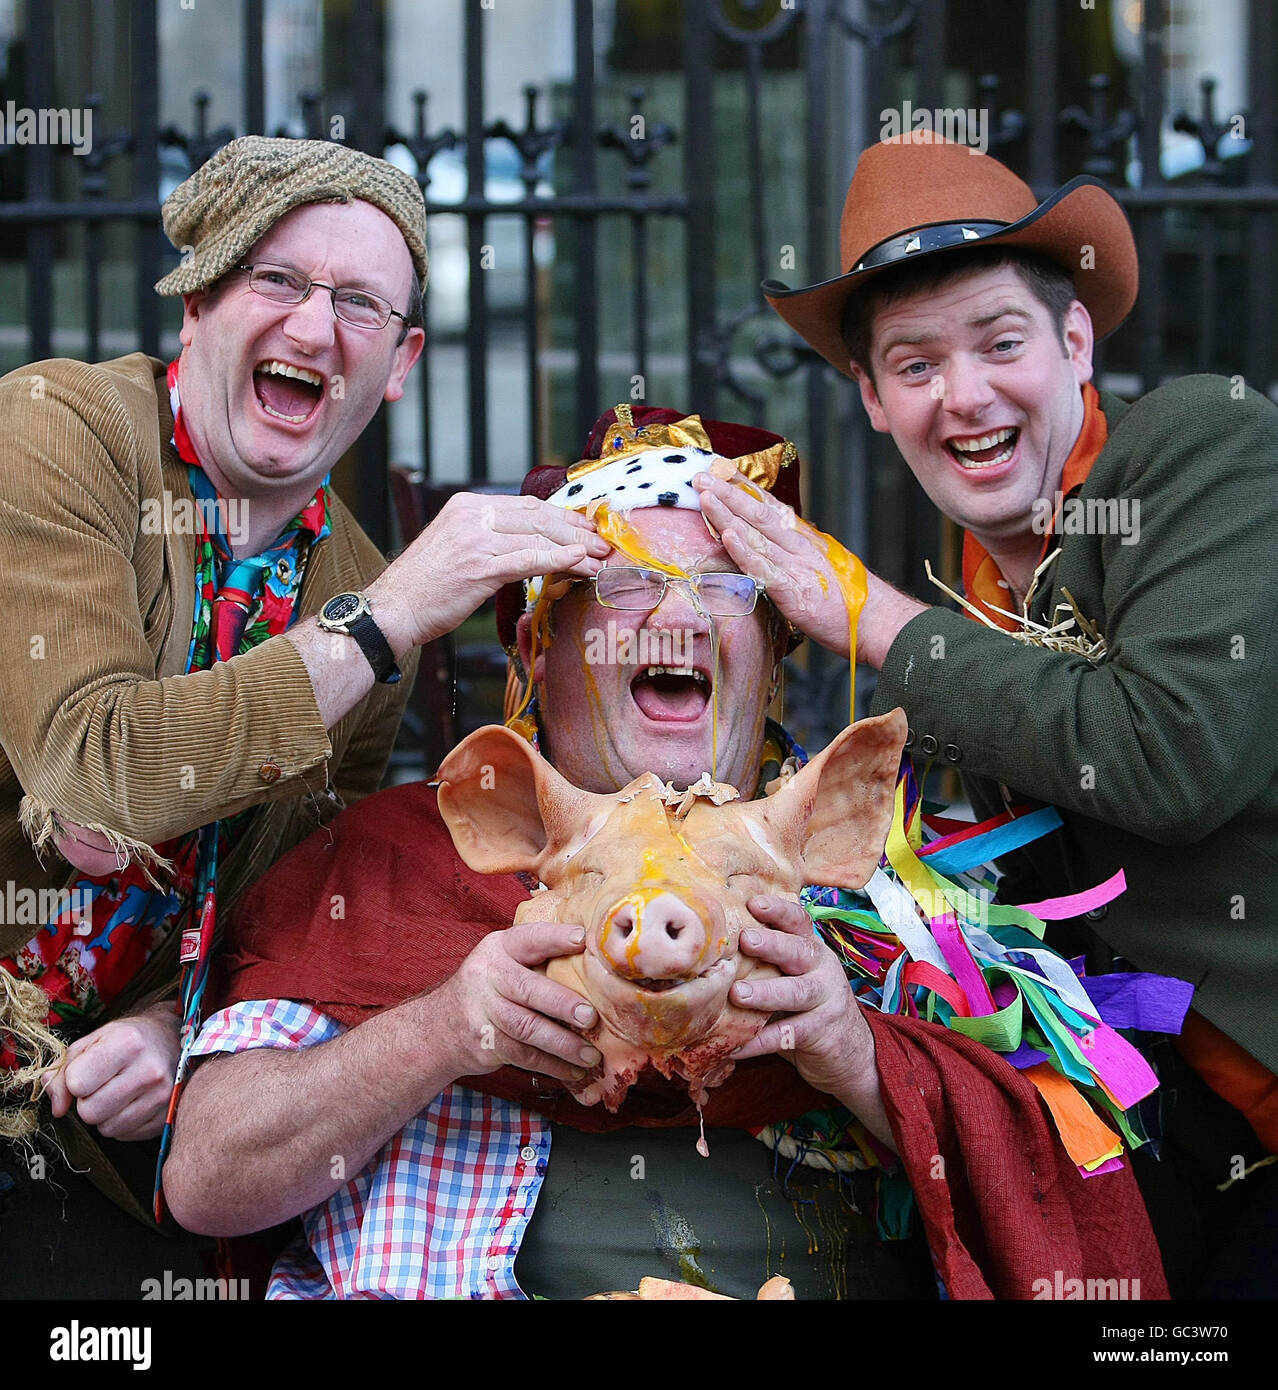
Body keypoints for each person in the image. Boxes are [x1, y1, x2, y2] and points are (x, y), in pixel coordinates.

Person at [160, 406, 1168, 1300]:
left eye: (730, 588)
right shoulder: (391, 861)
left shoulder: (891, 885)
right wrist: (449, 1029)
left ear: (772, 659)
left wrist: (858, 1056)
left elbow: (1059, 1181)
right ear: (534, 653)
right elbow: (208, 1175)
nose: (680, 614)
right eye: (627, 581)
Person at [0, 135, 609, 1291]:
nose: (317, 327)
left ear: (399, 362)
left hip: (110, 1143)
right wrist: (380, 625)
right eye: (278, 279)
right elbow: (88, 774)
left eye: (361, 303)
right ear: (195, 307)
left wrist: (167, 1029)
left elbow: (269, 910)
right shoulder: (58, 430)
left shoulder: (361, 581)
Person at [695, 131, 1278, 1296]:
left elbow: (1169, 759)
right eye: (913, 365)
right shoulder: (969, 583)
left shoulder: (1199, 440)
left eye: (1001, 343)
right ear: (871, 398)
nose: (962, 395)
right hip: (1170, 1145)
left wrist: (871, 617)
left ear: (1073, 344)